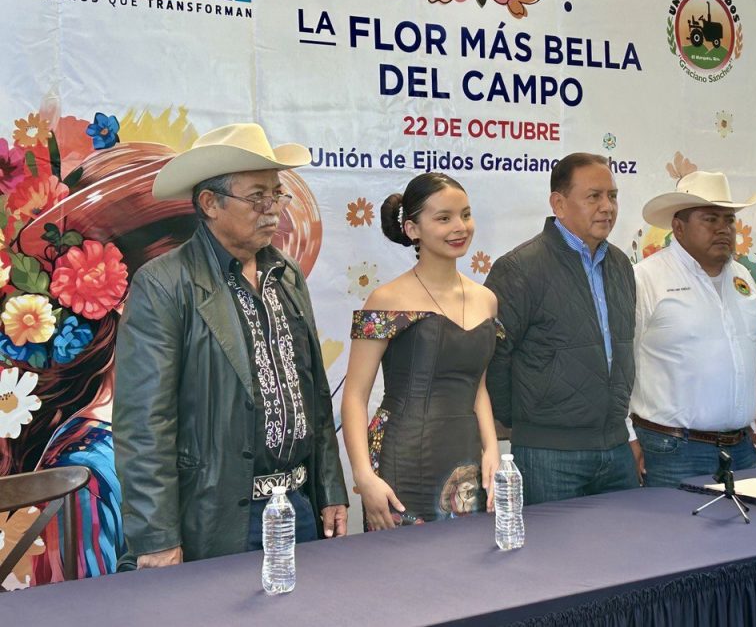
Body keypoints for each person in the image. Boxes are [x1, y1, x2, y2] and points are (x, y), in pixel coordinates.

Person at [113, 124, 348, 568]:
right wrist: (157, 537)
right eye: (258, 197)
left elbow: (313, 393)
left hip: (299, 505)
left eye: (278, 195)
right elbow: (145, 425)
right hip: (215, 516)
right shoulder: (165, 284)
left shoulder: (287, 275)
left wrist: (331, 490)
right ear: (209, 204)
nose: (273, 211)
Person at [341, 173, 501, 531]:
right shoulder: (385, 300)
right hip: (402, 457)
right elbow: (354, 396)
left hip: (466, 460)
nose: (460, 227)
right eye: (443, 218)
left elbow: (478, 387)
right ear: (413, 229)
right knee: (402, 576)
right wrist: (364, 476)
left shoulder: (487, 300)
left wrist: (492, 450)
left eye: (466, 214)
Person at [485, 153, 637, 505]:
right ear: (559, 203)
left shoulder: (621, 265)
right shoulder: (518, 269)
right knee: (550, 559)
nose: (607, 207)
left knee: (628, 557)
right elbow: (495, 358)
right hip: (548, 455)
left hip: (615, 447)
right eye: (593, 196)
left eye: (612, 196)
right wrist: (527, 419)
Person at [629, 171, 756, 484]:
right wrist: (627, 436)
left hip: (742, 450)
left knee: (749, 534)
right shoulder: (647, 278)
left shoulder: (743, 277)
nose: (723, 229)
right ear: (678, 227)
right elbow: (622, 361)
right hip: (673, 451)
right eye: (710, 219)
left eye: (729, 220)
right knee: (673, 534)